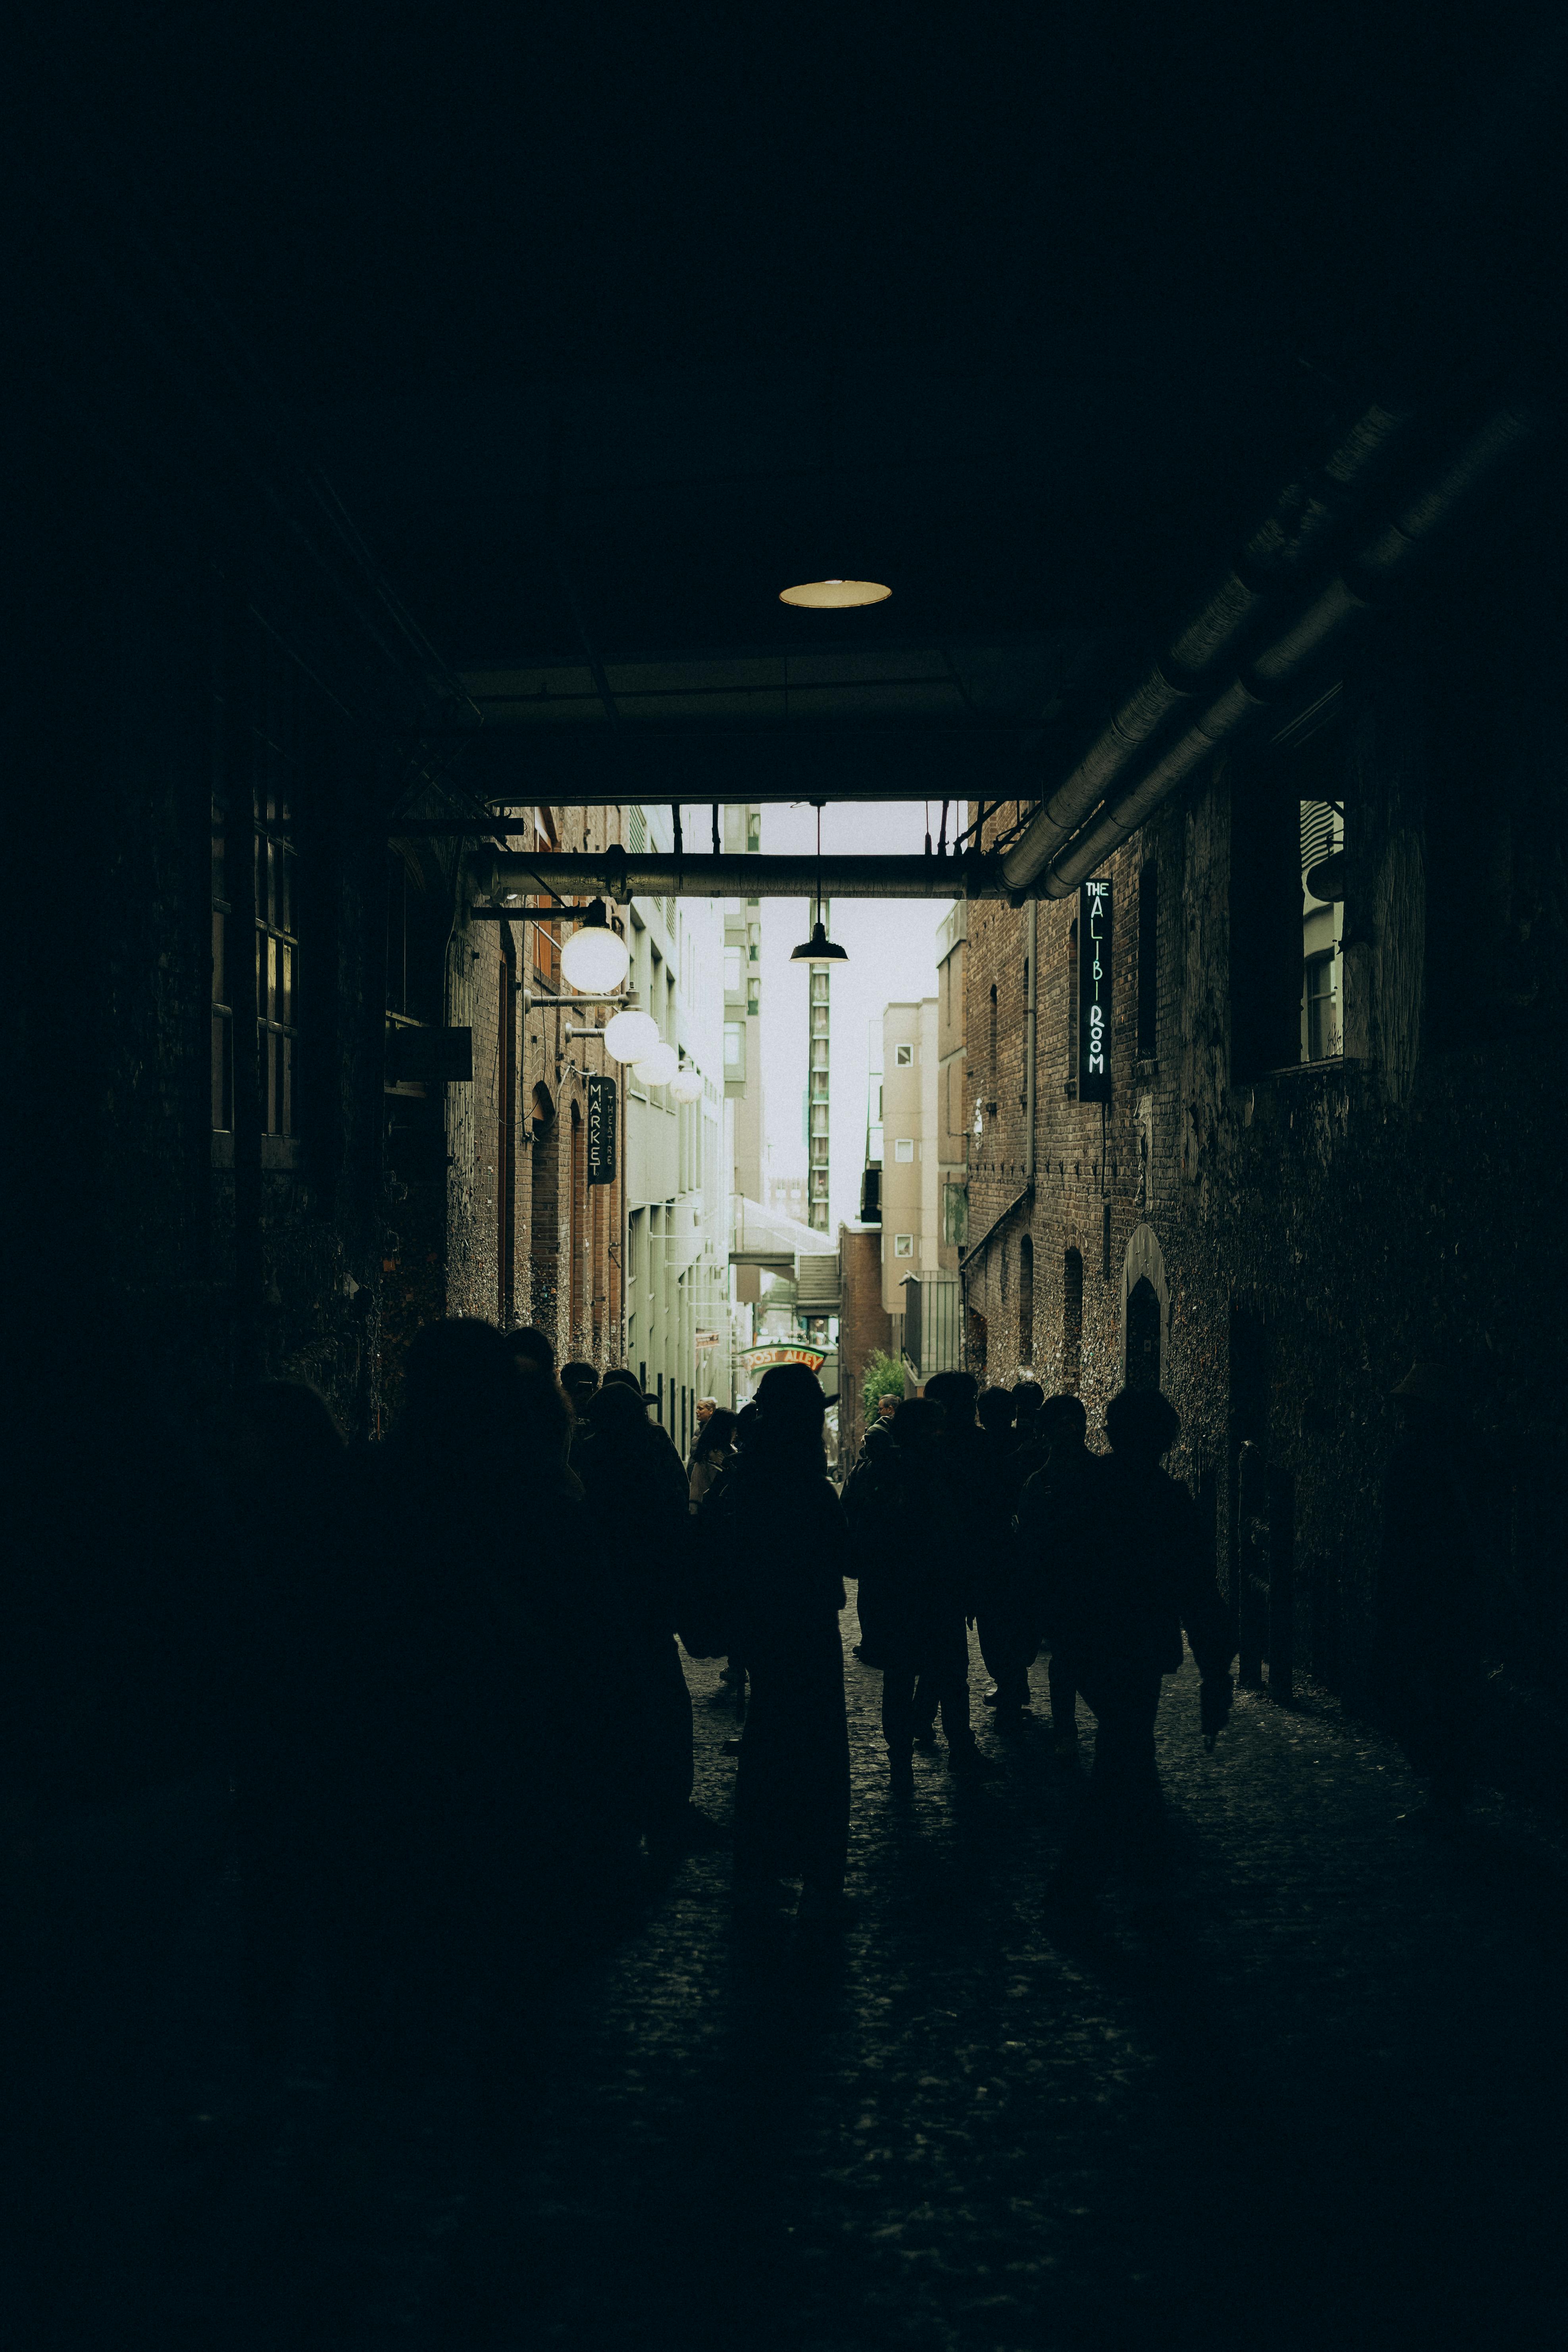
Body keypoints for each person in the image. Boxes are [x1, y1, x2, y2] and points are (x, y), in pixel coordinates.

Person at [360, 1321, 640, 2070]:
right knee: (516, 1979)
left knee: (413, 1971)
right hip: (518, 1757)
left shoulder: (374, 1489)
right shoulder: (540, 1495)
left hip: (402, 1761)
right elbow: (599, 1651)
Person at [1039, 1387, 1234, 1927]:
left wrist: (1060, 1632)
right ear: (1165, 1440)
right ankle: (1085, 1889)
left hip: (1089, 1646)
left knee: (1128, 1755)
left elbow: (1051, 1567)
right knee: (1124, 1755)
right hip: (1138, 1648)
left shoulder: (1082, 1489)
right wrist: (1214, 1670)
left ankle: (1138, 1880)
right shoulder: (1167, 1501)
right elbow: (1195, 1590)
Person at [227, 1379, 350, 2063]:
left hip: (299, 1742)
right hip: (309, 1741)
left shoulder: (274, 1525)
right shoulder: (341, 1512)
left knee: (283, 1895)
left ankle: (275, 2046)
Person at [700, 1364, 851, 1920]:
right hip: (807, 1631)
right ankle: (818, 1883)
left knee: (766, 1746)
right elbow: (846, 1551)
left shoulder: (743, 1475)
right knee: (819, 1755)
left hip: (760, 1630)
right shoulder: (805, 1482)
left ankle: (758, 1871)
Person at [574, 1380, 716, 1854]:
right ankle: (667, 1807)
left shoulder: (586, 1457)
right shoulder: (651, 1449)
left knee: (617, 1711)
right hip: (646, 1606)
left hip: (604, 1606)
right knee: (665, 1707)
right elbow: (674, 1522)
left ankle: (623, 1811)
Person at [845, 1395, 992, 1787]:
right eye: (934, 1424)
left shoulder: (879, 1470)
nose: (940, 1432)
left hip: (899, 1593)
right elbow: (954, 1534)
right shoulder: (935, 1469)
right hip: (932, 1591)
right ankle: (956, 1750)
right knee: (947, 1675)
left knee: (905, 1678)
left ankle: (904, 1762)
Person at [1373, 1359, 1483, 1831]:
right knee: (1450, 1690)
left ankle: (1445, 1780)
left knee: (1399, 1685)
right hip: (1458, 1594)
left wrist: (1388, 1593)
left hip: (1418, 1593)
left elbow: (1398, 1536)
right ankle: (1449, 1786)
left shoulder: (1411, 1459)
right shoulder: (1469, 1457)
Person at [1014, 1395, 1097, 1757]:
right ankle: (1069, 1727)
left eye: (1073, 1422)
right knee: (1068, 1660)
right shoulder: (1041, 1481)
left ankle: (1071, 1730)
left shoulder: (1042, 1481)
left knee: (1074, 1661)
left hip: (1082, 1583)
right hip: (1065, 1585)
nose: (1070, 1429)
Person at [688, 1406, 739, 1510]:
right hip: (707, 1510)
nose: (736, 1434)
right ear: (726, 1431)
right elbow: (721, 1485)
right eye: (734, 1430)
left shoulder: (712, 1450)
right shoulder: (714, 1455)